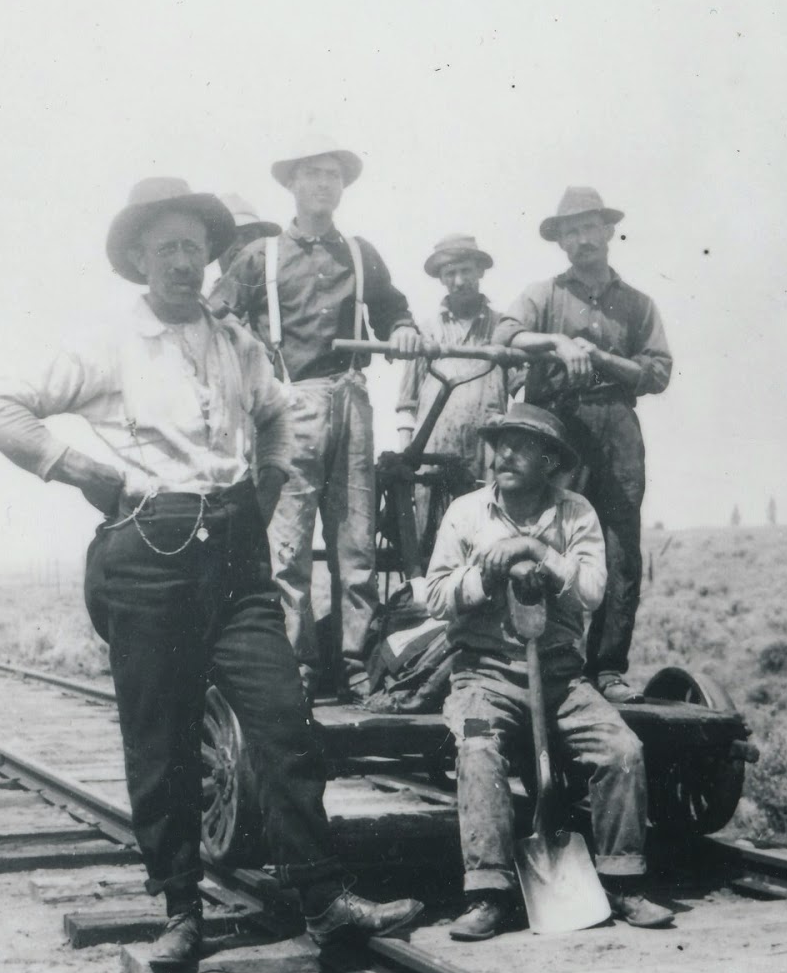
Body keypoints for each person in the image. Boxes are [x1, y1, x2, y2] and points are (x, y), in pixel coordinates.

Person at [0, 178, 422, 973]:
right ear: (141, 258)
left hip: (235, 555)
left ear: (210, 257)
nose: (183, 262)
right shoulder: (109, 340)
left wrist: (271, 483)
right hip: (148, 554)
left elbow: (279, 413)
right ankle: (181, 908)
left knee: (284, 720)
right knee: (163, 741)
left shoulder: (237, 344)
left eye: (194, 247)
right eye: (166, 248)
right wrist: (82, 470)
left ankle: (322, 899)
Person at [422, 404, 674, 941]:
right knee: (477, 746)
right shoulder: (466, 513)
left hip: (562, 679)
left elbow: (591, 590)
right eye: (500, 443)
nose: (504, 454)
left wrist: (536, 549)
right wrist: (488, 575)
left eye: (521, 444)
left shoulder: (577, 513)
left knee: (622, 749)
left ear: (551, 458)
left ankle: (624, 882)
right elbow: (437, 598)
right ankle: (487, 894)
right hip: (481, 679)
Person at [215, 136, 423, 698]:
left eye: (333, 175)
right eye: (312, 174)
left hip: (353, 399)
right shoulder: (261, 257)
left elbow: (394, 311)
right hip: (290, 402)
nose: (324, 184)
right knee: (286, 548)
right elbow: (216, 318)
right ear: (292, 184)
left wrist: (403, 327)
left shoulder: (360, 253)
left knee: (355, 545)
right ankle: (295, 671)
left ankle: (355, 667)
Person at [493, 187, 672, 704]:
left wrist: (604, 360)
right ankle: (548, 659)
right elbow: (506, 333)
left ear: (607, 231)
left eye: (589, 227)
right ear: (561, 241)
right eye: (570, 231)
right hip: (553, 425)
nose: (581, 239)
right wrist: (557, 343)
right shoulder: (544, 295)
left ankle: (608, 669)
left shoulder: (638, 304)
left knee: (620, 549)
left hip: (616, 425)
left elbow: (657, 372)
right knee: (544, 533)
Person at [395, 234, 522, 483]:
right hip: (432, 455)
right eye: (450, 273)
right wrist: (405, 459)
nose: (459, 281)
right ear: (441, 278)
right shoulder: (426, 332)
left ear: (480, 272)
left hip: (487, 454)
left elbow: (522, 391)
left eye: (466, 271)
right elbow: (407, 404)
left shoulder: (504, 327)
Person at [208, 194, 281, 312]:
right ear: (214, 246)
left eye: (248, 236)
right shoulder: (203, 305)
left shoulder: (279, 295)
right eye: (230, 237)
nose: (241, 246)